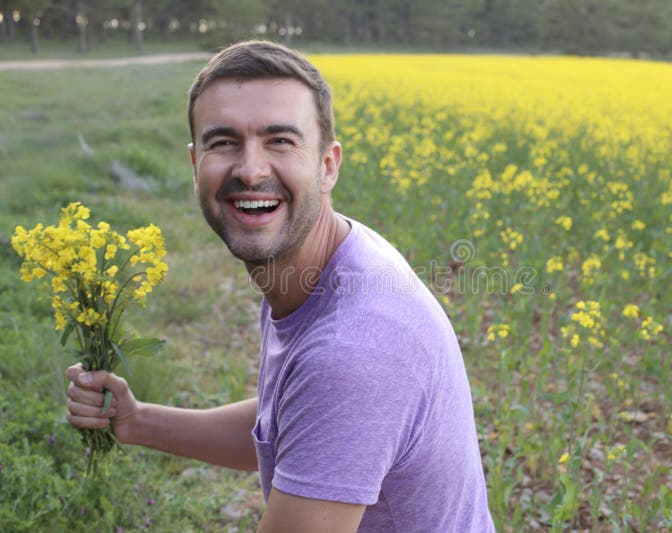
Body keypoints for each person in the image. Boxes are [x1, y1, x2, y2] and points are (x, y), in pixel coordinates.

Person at [65, 40, 494, 533]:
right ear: (194, 163)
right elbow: (295, 423)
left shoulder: (352, 350)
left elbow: (329, 391)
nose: (250, 169)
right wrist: (139, 421)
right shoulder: (323, 260)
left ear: (327, 166)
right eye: (223, 142)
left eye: (281, 141)